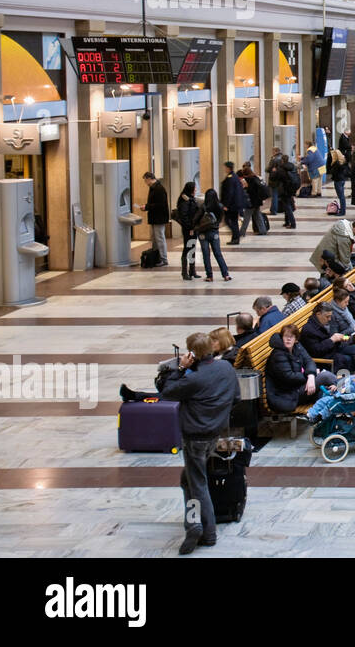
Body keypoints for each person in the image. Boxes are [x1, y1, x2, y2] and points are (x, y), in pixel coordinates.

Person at [158, 331, 238, 554]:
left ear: (193, 353)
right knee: (188, 480)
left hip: (195, 435)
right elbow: (236, 398)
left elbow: (166, 392)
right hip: (215, 432)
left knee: (197, 483)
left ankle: (204, 530)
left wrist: (181, 368)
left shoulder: (193, 378)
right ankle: (194, 521)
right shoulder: (226, 368)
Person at [300, 301, 355, 374]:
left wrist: (344, 337)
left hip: (334, 348)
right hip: (325, 357)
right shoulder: (308, 330)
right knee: (349, 359)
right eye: (327, 316)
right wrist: (332, 340)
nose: (329, 319)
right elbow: (316, 351)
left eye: (330, 316)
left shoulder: (326, 321)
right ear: (318, 314)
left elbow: (335, 335)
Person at [197, 190, 231, 282]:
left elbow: (196, 218)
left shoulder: (203, 207)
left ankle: (209, 276)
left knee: (206, 255)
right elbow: (220, 219)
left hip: (203, 233)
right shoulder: (219, 206)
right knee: (218, 253)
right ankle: (225, 274)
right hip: (214, 232)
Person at [141, 171, 169, 265]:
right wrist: (146, 206)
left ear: (149, 179)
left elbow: (161, 204)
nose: (145, 183)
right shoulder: (153, 188)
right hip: (155, 217)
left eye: (145, 181)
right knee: (155, 239)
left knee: (160, 238)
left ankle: (163, 259)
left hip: (159, 218)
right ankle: (157, 257)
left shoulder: (159, 189)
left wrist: (147, 207)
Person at [175, 182, 201, 280]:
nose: (195, 190)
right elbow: (184, 216)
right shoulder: (184, 200)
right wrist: (190, 228)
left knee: (192, 248)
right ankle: (184, 272)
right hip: (188, 229)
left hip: (192, 228)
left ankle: (192, 271)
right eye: (194, 189)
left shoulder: (190, 198)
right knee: (187, 249)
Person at [219, 161, 248, 244]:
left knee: (229, 220)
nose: (224, 169)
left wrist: (226, 205)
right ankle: (235, 237)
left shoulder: (230, 178)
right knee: (232, 221)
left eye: (225, 167)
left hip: (232, 205)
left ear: (228, 168)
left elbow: (229, 193)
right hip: (236, 203)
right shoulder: (234, 176)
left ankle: (236, 236)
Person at [327, 148, 349, 215]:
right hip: (342, 180)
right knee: (342, 196)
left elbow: (331, 171)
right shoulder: (343, 162)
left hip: (338, 181)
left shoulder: (336, 164)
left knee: (341, 196)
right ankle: (343, 209)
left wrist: (330, 161)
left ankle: (342, 211)